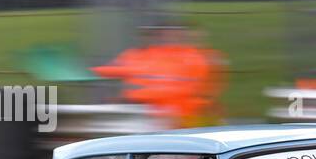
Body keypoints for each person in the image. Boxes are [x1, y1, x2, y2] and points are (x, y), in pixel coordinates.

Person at [92, 24, 225, 128]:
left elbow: (186, 88)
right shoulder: (140, 54)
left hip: (181, 114)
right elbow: (119, 69)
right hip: (155, 112)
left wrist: (134, 96)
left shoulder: (192, 57)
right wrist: (93, 71)